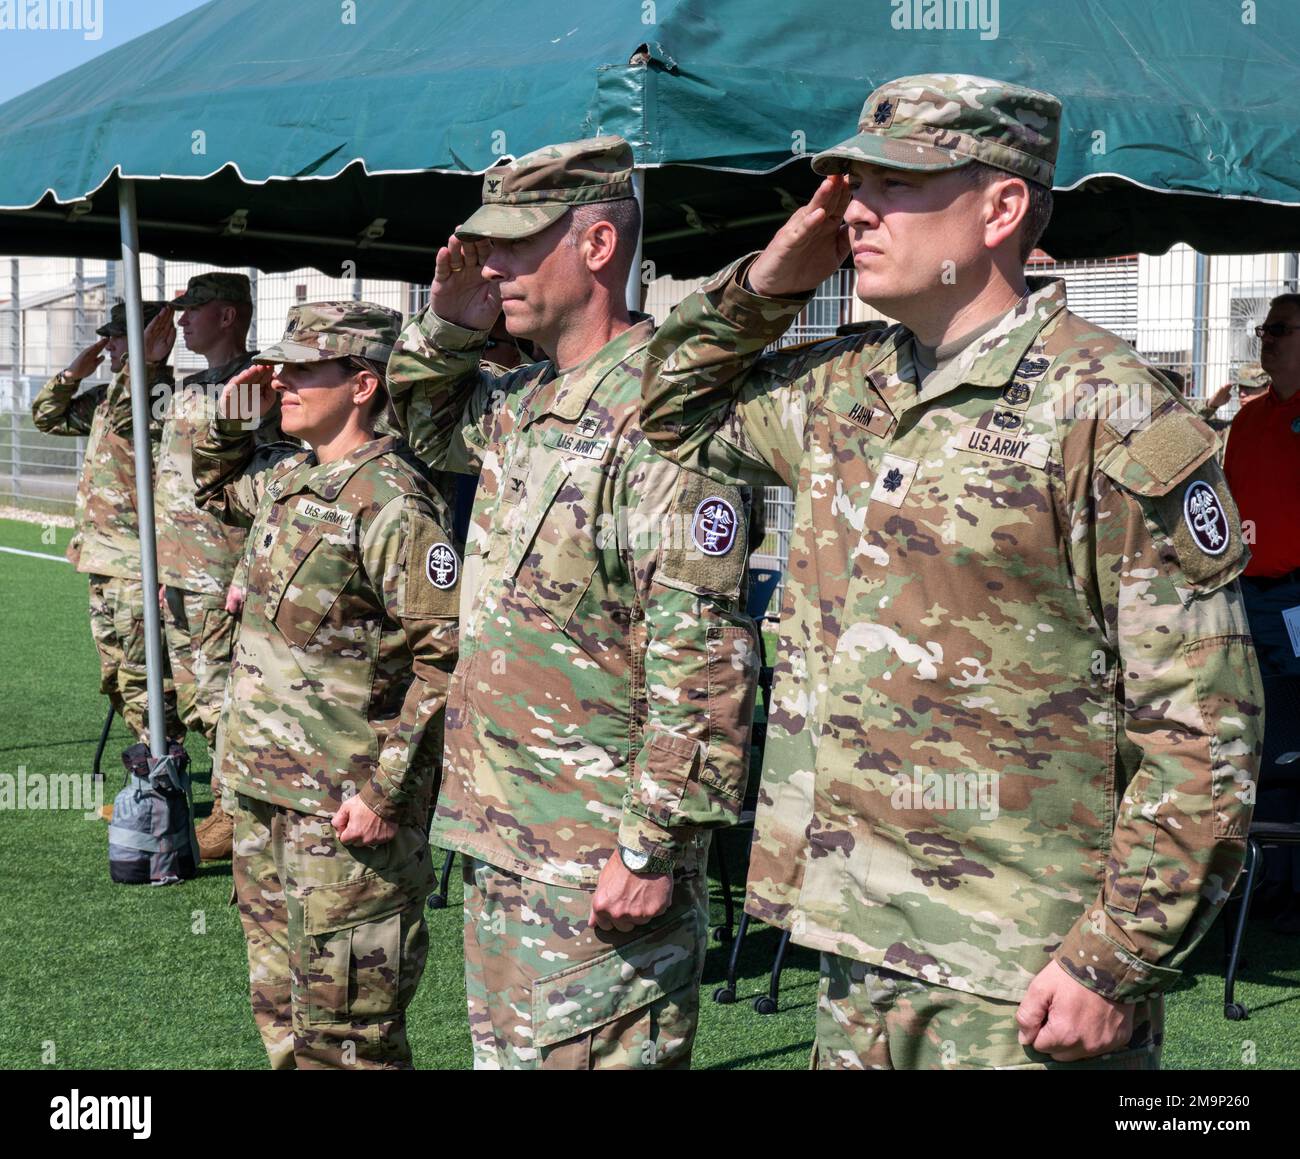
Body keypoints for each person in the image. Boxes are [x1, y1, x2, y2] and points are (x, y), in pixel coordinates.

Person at [638, 74, 1263, 1070]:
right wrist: (769, 277)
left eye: (896, 183)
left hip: (1018, 964)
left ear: (1000, 207)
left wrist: (1114, 956)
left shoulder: (1106, 409)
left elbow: (1200, 722)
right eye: (848, 186)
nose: (856, 211)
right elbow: (669, 411)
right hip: (851, 934)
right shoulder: (845, 386)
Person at [387, 136, 761, 1070]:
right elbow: (424, 418)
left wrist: (649, 849)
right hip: (511, 837)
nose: (493, 265)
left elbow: (702, 655)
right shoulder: (529, 399)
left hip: (599, 857)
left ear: (597, 247)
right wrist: (449, 324)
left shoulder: (662, 410)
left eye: (516, 244)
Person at [192, 301, 457, 1069]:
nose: (283, 379)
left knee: (350, 1041)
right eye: (282, 366)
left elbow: (446, 657)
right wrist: (233, 416)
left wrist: (385, 792)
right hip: (264, 798)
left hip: (344, 818)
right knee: (284, 1023)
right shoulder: (292, 480)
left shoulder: (394, 502)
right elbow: (210, 487)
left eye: (305, 368)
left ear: (364, 383)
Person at [118, 272, 280, 862]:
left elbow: (272, 485)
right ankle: (227, 805)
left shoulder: (257, 388)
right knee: (192, 693)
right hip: (180, 567)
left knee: (218, 694)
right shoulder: (189, 386)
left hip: (222, 565)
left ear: (229, 315)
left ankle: (238, 813)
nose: (182, 320)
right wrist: (152, 366)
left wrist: (245, 572)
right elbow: (125, 433)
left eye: (194, 308)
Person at [31, 301, 183, 747]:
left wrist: (148, 362)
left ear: (149, 339)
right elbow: (47, 418)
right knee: (116, 675)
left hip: (137, 563)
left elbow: (126, 413)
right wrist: (72, 374)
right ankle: (150, 771)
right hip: (102, 557)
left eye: (119, 336)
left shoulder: (158, 395)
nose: (109, 344)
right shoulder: (107, 396)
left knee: (145, 679)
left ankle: (161, 781)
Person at [1222, 295, 1300, 932]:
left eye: (1279, 328)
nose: (1265, 338)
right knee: (1267, 736)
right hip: (1250, 597)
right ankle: (1270, 880)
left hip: (1299, 597)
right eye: (1263, 328)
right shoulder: (1247, 421)